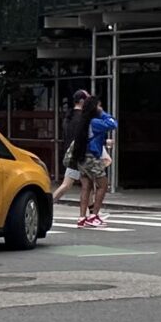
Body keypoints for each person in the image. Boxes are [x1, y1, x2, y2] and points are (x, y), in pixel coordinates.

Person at [78, 97, 118, 229]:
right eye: (99, 106)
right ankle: (94, 215)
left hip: (82, 157)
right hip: (92, 157)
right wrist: (103, 113)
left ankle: (82, 217)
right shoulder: (95, 121)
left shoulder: (84, 120)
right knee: (102, 185)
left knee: (86, 187)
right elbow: (113, 124)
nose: (100, 108)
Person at [51, 91, 92, 211]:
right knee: (83, 185)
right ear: (82, 101)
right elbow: (83, 136)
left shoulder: (70, 116)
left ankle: (93, 212)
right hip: (80, 155)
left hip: (73, 155)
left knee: (75, 185)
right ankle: (91, 214)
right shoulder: (81, 118)